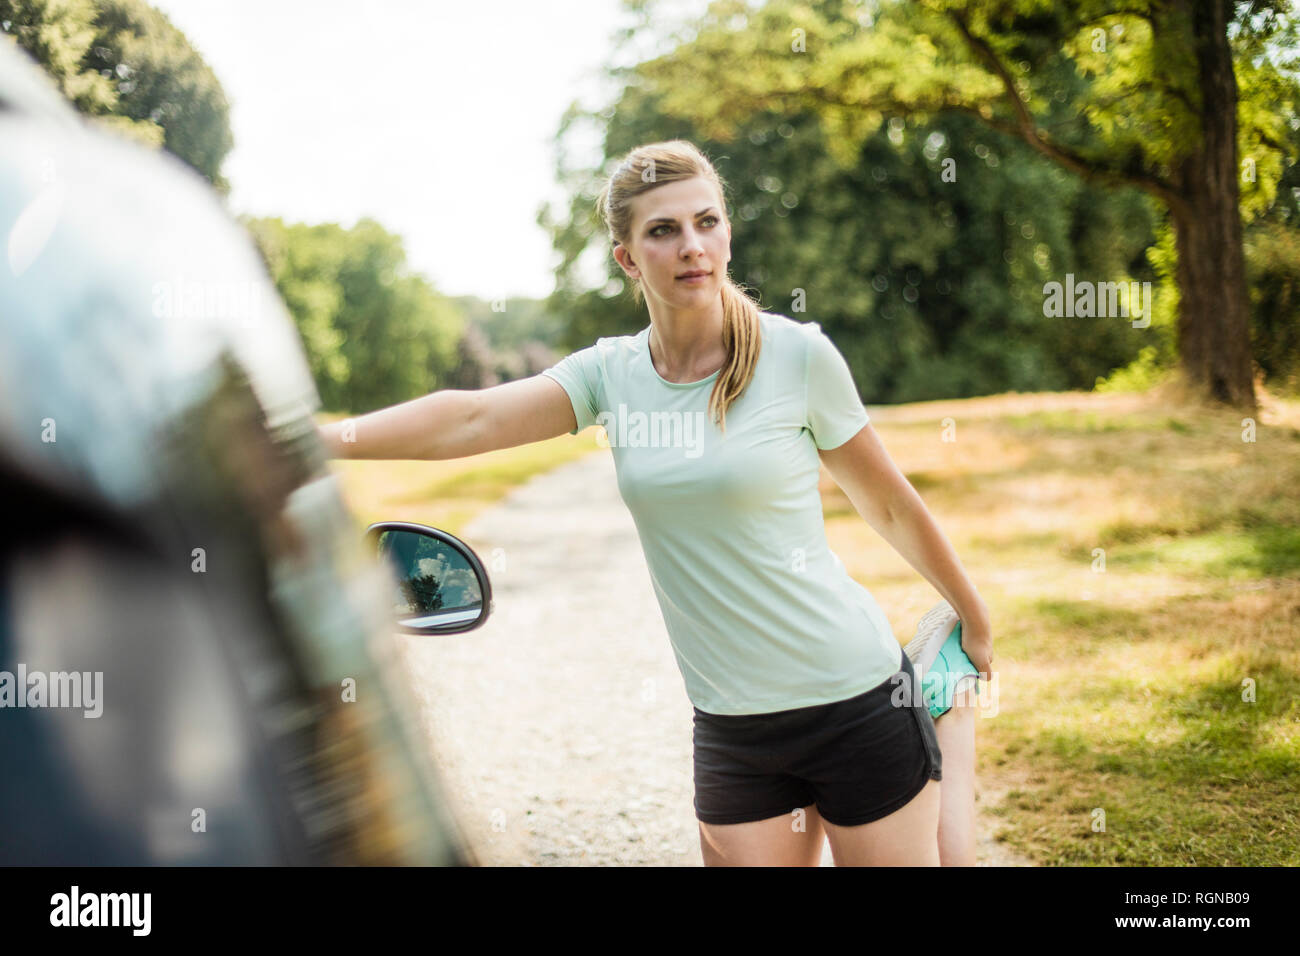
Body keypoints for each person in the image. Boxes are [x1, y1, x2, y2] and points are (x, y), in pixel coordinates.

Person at [317, 139, 995, 866]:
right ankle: (944, 727)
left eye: (707, 222)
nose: (691, 246)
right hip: (734, 728)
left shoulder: (797, 357)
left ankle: (944, 716)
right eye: (663, 231)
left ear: (728, 232)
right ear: (628, 258)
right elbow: (472, 417)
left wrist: (974, 618)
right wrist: (314, 441)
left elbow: (890, 506)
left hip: (855, 699)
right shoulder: (612, 376)